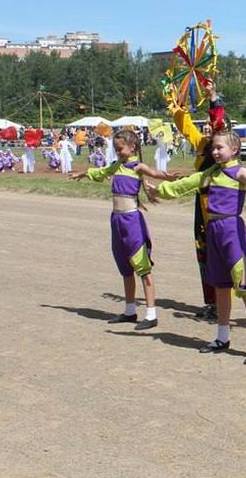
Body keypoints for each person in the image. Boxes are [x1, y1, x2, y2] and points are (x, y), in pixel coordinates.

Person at [155, 130, 246, 364]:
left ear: (234, 150)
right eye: (214, 148)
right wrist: (159, 190)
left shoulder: (240, 171)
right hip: (214, 232)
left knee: (245, 287)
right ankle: (222, 336)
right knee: (220, 285)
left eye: (220, 147)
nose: (215, 151)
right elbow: (187, 184)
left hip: (232, 231)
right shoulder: (211, 172)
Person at [70, 129, 178, 330]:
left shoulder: (137, 166)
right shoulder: (116, 166)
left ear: (132, 147)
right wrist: (83, 173)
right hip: (116, 220)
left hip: (132, 220)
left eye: (120, 149)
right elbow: (100, 172)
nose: (117, 152)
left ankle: (151, 314)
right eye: (116, 149)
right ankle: (130, 311)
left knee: (142, 266)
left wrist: (170, 178)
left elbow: (155, 173)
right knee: (124, 266)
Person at [167, 80, 226, 320]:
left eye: (211, 128)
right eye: (207, 128)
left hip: (218, 204)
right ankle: (211, 302)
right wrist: (175, 103)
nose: (207, 130)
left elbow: (218, 123)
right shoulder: (202, 144)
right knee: (203, 253)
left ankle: (224, 301)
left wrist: (213, 97)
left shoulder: (220, 146)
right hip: (200, 205)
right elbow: (185, 125)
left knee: (219, 253)